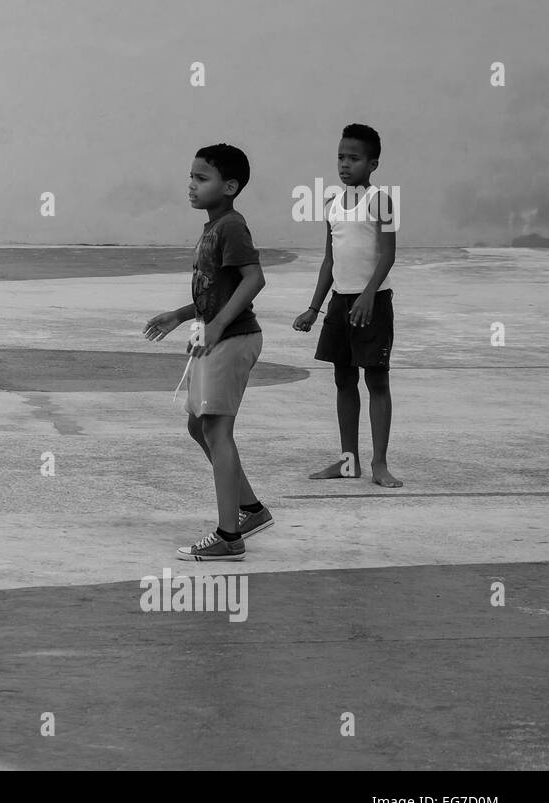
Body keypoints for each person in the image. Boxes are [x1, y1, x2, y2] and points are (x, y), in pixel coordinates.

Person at [144, 143, 270, 562]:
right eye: (191, 177)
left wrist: (215, 327)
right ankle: (250, 510)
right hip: (217, 335)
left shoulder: (232, 226)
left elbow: (254, 280)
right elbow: (217, 290)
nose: (192, 186)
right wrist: (183, 315)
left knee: (218, 431)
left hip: (233, 339)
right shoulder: (213, 227)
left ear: (230, 186)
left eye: (202, 178)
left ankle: (229, 537)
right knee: (198, 427)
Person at [292, 123, 402, 487]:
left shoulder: (381, 202)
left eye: (354, 158)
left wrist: (369, 295)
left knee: (377, 381)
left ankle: (380, 464)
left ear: (373, 164)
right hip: (341, 303)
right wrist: (314, 307)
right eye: (341, 157)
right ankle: (348, 460)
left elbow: (388, 254)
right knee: (343, 381)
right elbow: (330, 261)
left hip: (373, 302)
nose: (344, 164)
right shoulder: (332, 204)